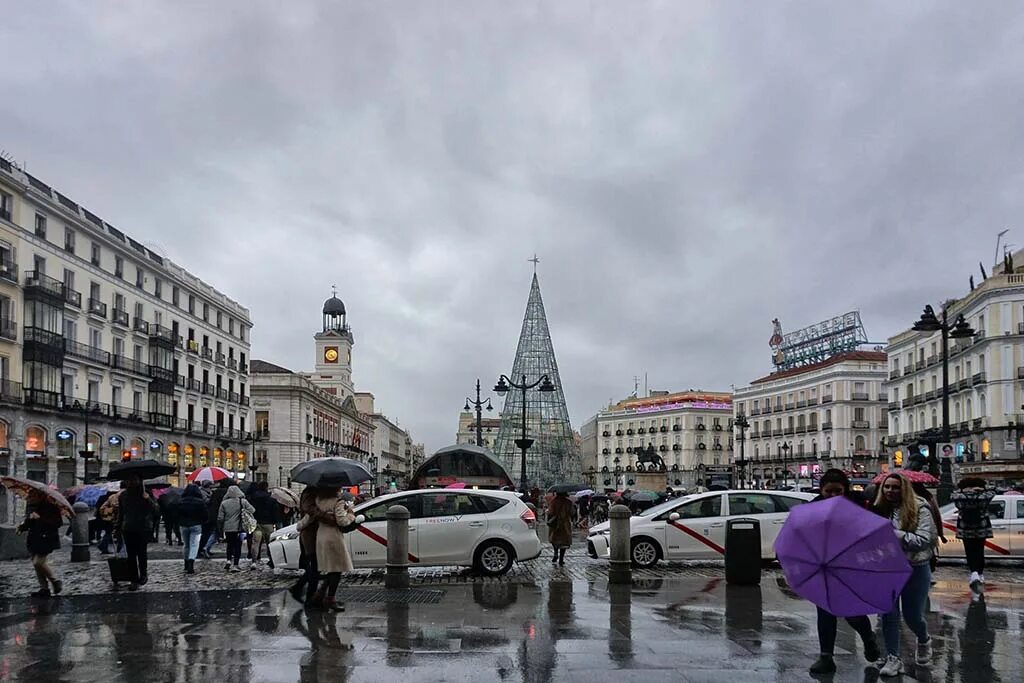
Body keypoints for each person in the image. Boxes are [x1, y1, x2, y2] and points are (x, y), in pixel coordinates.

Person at [806, 470, 880, 675]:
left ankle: (867, 638)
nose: (832, 495)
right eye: (828, 491)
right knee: (825, 611)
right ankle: (826, 657)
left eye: (837, 491)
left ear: (845, 490)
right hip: (824, 566)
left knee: (851, 611)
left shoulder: (858, 506)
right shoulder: (812, 508)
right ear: (821, 490)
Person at [872, 473, 937, 677]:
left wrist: (893, 533)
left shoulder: (920, 508)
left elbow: (924, 540)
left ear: (905, 489)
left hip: (915, 566)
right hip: (887, 568)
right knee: (888, 614)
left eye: (895, 487)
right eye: (887, 487)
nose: (890, 491)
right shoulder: (879, 508)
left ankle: (924, 639)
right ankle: (893, 657)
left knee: (912, 616)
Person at [298, 487, 355, 611]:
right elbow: (342, 522)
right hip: (333, 537)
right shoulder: (337, 501)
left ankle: (320, 596)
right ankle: (326, 598)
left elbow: (306, 519)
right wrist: (351, 515)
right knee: (336, 569)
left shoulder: (319, 500)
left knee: (329, 568)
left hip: (320, 536)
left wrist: (300, 526)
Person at [951, 477, 997, 591]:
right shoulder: (983, 497)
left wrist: (964, 490)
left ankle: (974, 572)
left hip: (965, 527)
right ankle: (980, 574)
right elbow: (992, 492)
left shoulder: (959, 497)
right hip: (981, 526)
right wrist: (981, 489)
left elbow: (953, 494)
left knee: (969, 551)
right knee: (979, 550)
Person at [17, 490, 64, 597]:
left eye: (32, 495)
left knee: (38, 562)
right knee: (37, 565)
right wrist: (23, 526)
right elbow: (30, 521)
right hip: (34, 538)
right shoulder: (32, 506)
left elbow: (57, 523)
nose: (29, 497)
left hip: (47, 538)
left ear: (39, 496)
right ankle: (44, 588)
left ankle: (55, 581)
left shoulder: (51, 506)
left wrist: (40, 518)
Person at [116, 475, 159, 591]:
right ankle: (133, 580)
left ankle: (143, 574)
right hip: (128, 528)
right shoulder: (123, 495)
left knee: (141, 553)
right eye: (129, 480)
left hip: (143, 528)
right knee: (131, 556)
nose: (132, 482)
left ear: (140, 481)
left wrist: (148, 499)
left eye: (134, 479)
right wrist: (117, 527)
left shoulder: (146, 493)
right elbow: (121, 512)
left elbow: (156, 510)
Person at [217, 485, 255, 572]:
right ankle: (236, 564)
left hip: (228, 527)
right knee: (238, 545)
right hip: (239, 527)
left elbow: (220, 518)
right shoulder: (243, 501)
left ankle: (228, 560)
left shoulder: (224, 503)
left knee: (229, 544)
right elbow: (252, 510)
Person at [174, 485, 208, 575]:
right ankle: (191, 563)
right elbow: (205, 514)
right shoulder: (200, 502)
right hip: (196, 524)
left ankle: (186, 563)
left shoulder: (180, 501)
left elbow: (176, 514)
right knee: (194, 545)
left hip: (184, 525)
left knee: (186, 545)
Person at [248, 481, 278, 566]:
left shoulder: (253, 498)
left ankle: (254, 561)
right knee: (270, 543)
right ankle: (271, 560)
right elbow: (275, 512)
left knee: (256, 543)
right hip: (268, 523)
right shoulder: (271, 500)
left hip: (257, 522)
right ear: (266, 488)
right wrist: (274, 521)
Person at [199, 479, 229, 559]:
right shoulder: (225, 492)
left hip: (212, 515)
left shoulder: (215, 492)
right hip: (218, 515)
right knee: (216, 533)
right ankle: (206, 547)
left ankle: (206, 548)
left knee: (214, 533)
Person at [547, 491, 574, 566]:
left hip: (555, 523)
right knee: (564, 542)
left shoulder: (554, 501)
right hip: (565, 524)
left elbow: (550, 512)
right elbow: (572, 512)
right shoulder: (568, 502)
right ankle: (561, 559)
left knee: (554, 539)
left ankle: (555, 553)